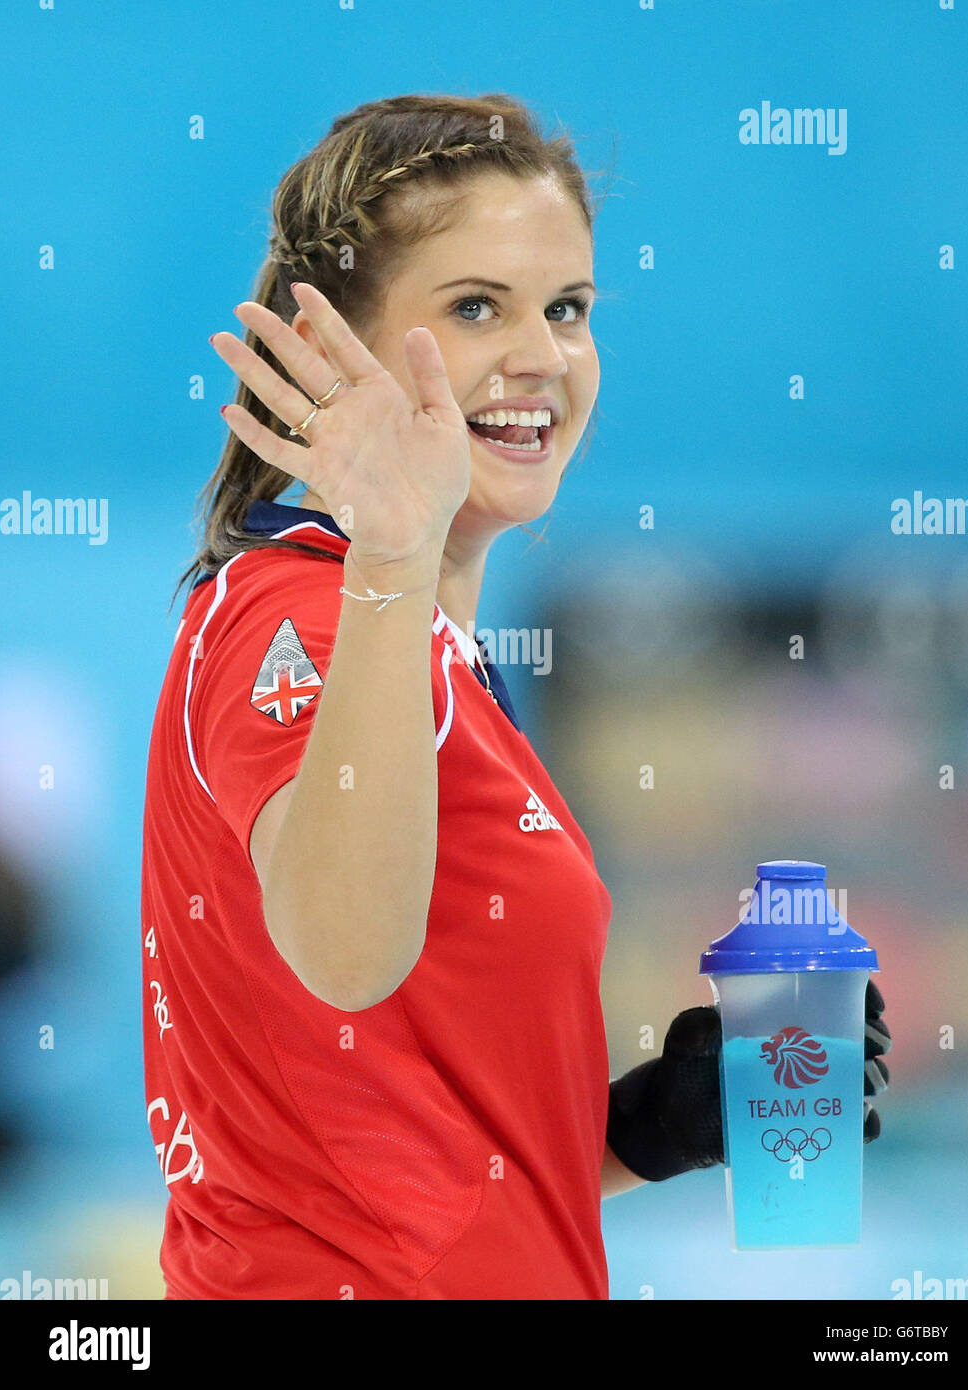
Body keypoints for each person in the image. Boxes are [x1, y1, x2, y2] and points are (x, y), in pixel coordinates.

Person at [141, 93, 890, 1301]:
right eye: (476, 306)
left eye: (570, 309)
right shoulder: (304, 614)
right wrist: (392, 549)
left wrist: (650, 1127)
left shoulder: (418, 650)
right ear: (333, 346)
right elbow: (340, 951)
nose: (541, 354)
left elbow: (393, 1135)